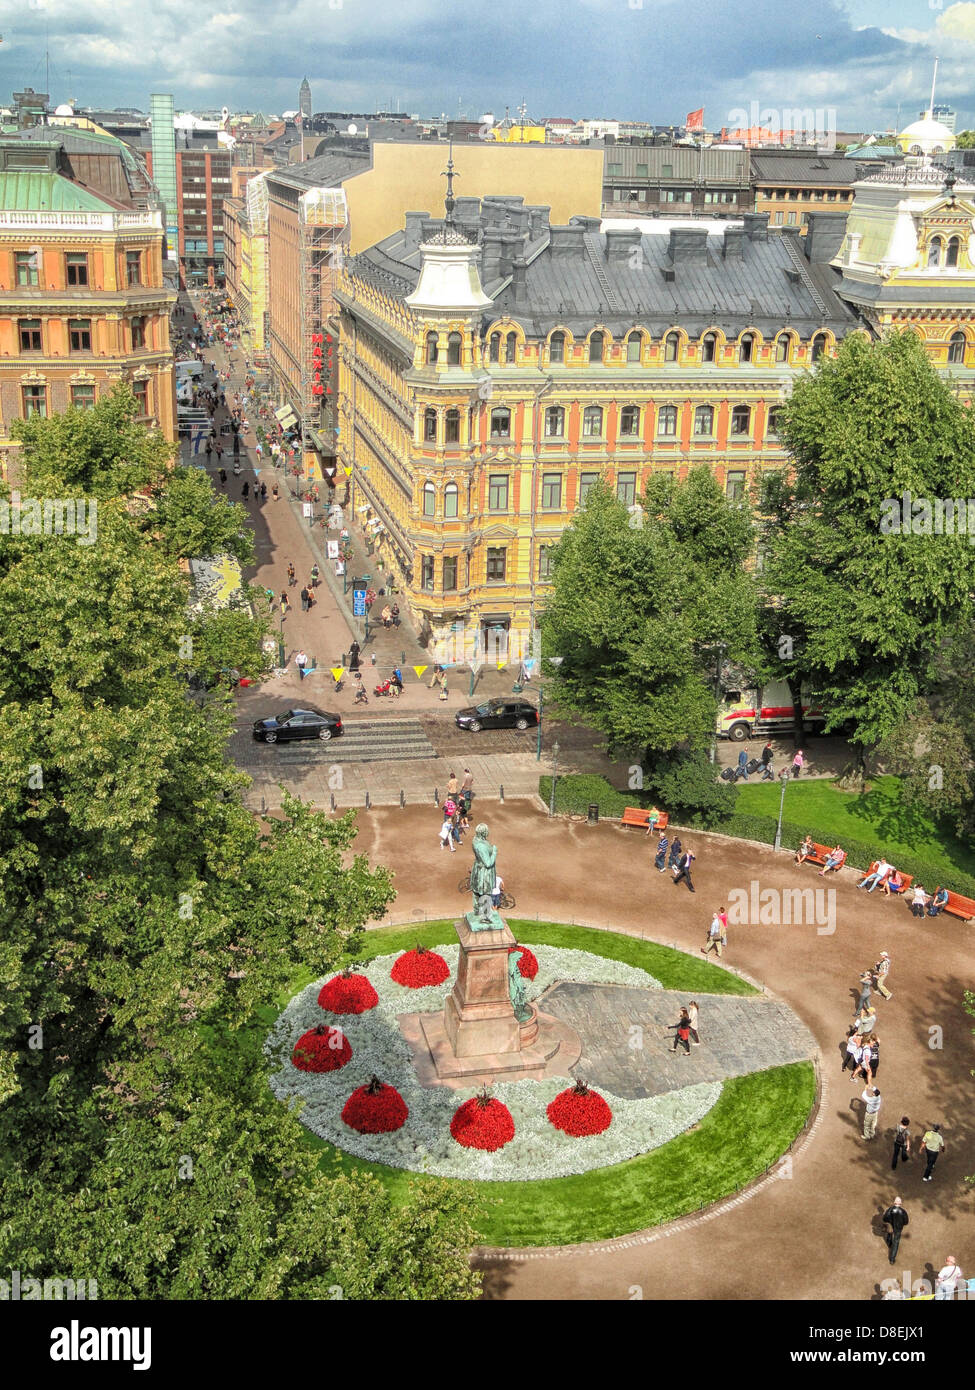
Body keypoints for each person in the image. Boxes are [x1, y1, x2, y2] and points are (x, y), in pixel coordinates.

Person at [882, 1198, 909, 1265]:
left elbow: (884, 1219)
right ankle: (892, 1259)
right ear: (900, 1203)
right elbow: (906, 1222)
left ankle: (890, 1244)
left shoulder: (890, 1210)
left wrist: (890, 1222)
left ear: (894, 1203)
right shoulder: (903, 1212)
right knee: (896, 1242)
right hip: (898, 1228)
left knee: (889, 1234)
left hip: (891, 1226)